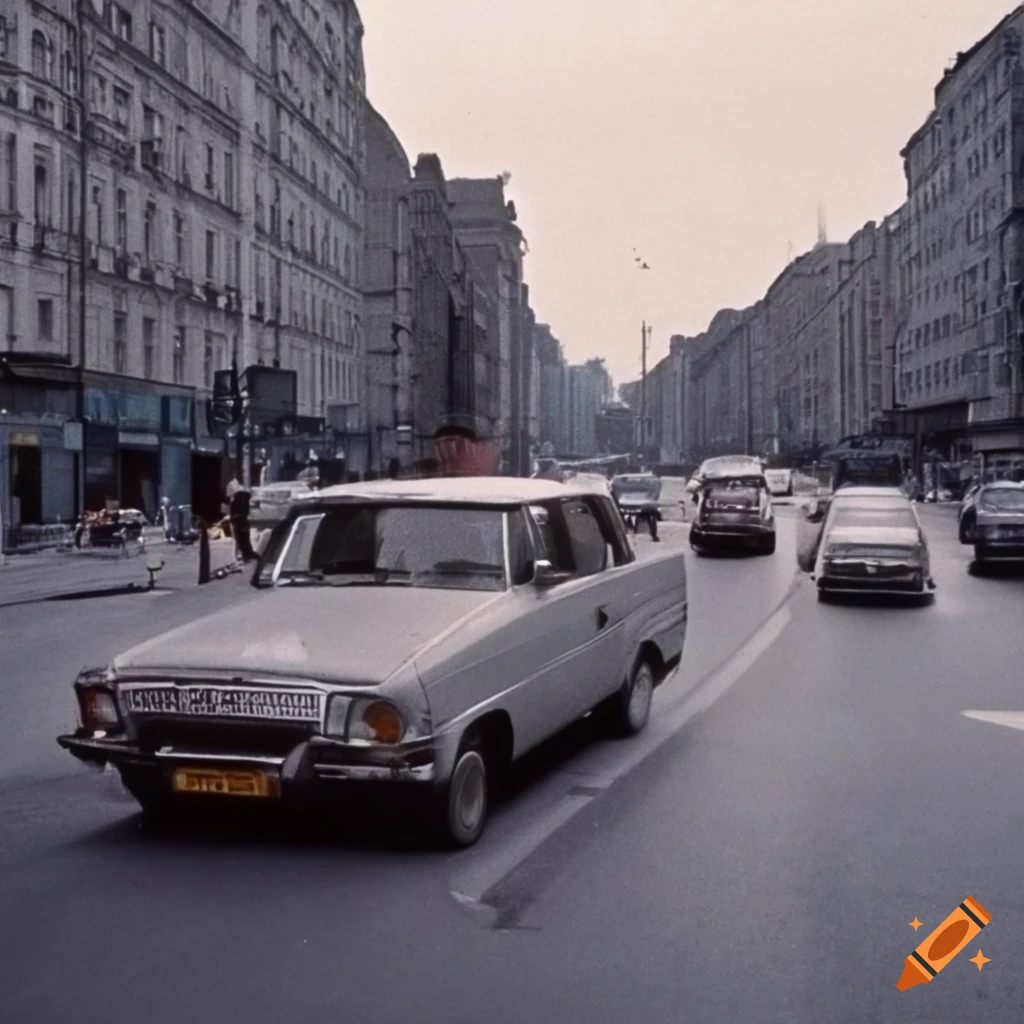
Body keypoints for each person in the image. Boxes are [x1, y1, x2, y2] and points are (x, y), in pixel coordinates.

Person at [227, 475, 256, 562]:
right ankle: (243, 553)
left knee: (241, 537)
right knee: (240, 537)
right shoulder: (239, 493)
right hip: (239, 519)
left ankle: (243, 553)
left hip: (239, 519)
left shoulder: (237, 494)